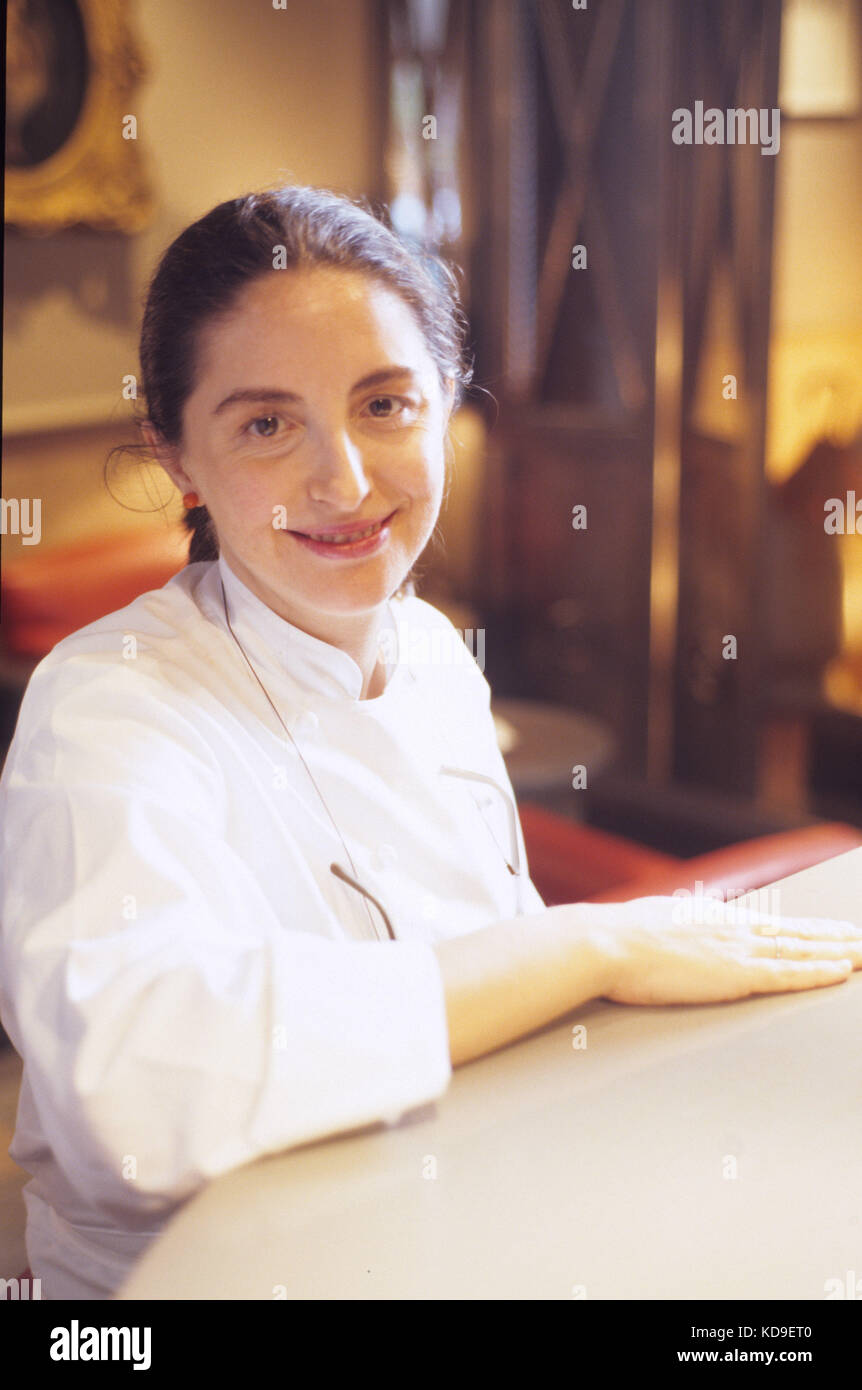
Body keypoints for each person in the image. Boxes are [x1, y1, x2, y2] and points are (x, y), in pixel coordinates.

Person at [0, 185, 859, 1301]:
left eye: (385, 405)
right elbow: (138, 1091)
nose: (345, 480)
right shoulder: (106, 704)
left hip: (465, 1220)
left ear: (446, 400)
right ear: (177, 455)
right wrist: (588, 945)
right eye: (266, 423)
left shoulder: (435, 655)